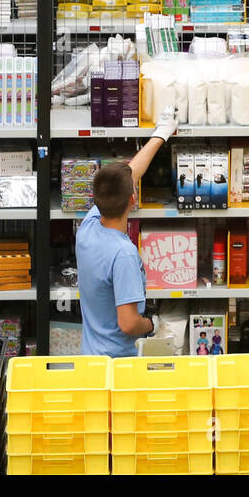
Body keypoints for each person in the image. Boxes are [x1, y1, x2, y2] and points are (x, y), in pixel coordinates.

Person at [76, 109, 177, 357]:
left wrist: (161, 135)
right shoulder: (123, 255)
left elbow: (130, 173)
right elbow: (129, 324)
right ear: (133, 199)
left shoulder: (88, 227)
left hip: (92, 357)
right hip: (118, 364)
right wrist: (152, 325)